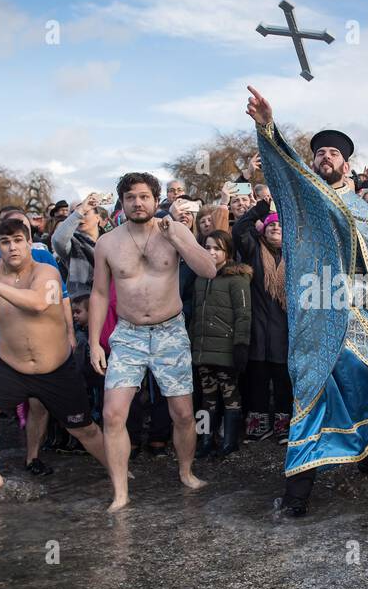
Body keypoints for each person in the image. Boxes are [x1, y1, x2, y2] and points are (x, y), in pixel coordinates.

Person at [247, 85, 368, 518]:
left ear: (347, 162)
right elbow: (283, 170)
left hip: (360, 306)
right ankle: (298, 490)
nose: (326, 158)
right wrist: (267, 126)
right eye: (320, 152)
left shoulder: (361, 206)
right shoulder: (301, 200)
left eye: (334, 154)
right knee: (313, 388)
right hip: (318, 310)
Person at [0, 218, 108, 507]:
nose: (12, 247)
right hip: (12, 368)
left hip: (55, 369)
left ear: (29, 242)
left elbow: (36, 303)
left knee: (84, 429)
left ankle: (118, 471)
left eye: (18, 240)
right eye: (5, 242)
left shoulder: (45, 271)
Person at [90, 172, 218, 508]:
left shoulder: (174, 230)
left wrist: (176, 239)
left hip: (170, 332)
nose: (137, 202)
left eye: (144, 196)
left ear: (156, 199)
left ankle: (186, 471)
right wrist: (93, 343)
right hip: (128, 334)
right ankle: (120, 492)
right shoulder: (107, 242)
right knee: (113, 414)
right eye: (130, 197)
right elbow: (100, 294)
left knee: (183, 414)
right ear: (122, 202)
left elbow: (209, 270)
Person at [189, 230, 252, 459]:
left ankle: (229, 441)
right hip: (203, 351)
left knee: (229, 395)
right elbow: (196, 315)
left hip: (226, 351)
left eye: (217, 248)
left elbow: (244, 315)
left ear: (227, 251)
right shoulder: (200, 278)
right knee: (207, 397)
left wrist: (241, 346)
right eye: (207, 247)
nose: (211, 252)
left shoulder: (237, 279)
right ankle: (205, 439)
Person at [233, 196, 291, 441]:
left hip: (284, 332)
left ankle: (284, 425)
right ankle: (258, 425)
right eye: (270, 225)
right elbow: (238, 230)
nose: (275, 227)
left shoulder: (295, 257)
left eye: (279, 225)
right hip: (257, 331)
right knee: (257, 379)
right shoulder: (254, 251)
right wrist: (259, 210)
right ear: (263, 231)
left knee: (283, 381)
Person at [51, 192, 105, 297]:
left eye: (86, 213)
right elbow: (57, 240)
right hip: (80, 304)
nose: (80, 217)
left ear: (97, 217)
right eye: (74, 214)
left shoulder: (109, 240)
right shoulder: (72, 243)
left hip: (107, 303)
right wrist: (80, 211)